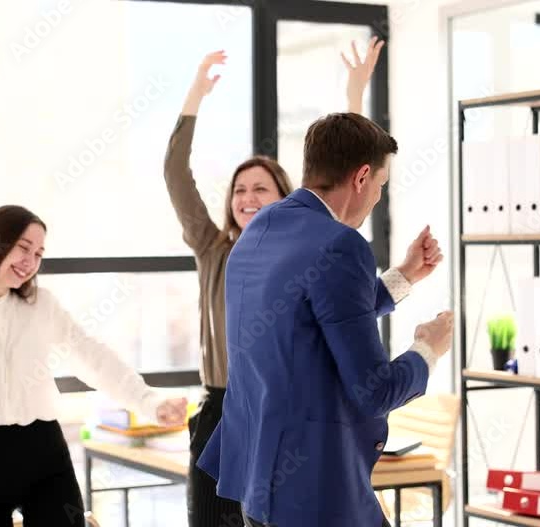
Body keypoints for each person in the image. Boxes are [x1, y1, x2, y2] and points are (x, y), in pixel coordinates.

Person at [164, 39, 386, 527]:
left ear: (286, 195)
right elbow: (177, 175)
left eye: (259, 188)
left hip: (281, 418)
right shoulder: (214, 249)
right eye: (239, 190)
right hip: (224, 413)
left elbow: (348, 179)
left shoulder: (316, 249)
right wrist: (194, 96)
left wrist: (354, 94)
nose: (246, 197)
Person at [196, 112, 454, 527]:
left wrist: (404, 276)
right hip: (313, 492)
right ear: (362, 177)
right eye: (381, 186)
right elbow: (374, 391)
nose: (377, 198)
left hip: (258, 483)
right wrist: (428, 349)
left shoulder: (261, 228)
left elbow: (312, 315)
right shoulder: (341, 244)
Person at [0, 205, 188, 526]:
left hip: (43, 450)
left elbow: (93, 357)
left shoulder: (42, 306)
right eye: (23, 248)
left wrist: (149, 401)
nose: (30, 262)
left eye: (39, 253)